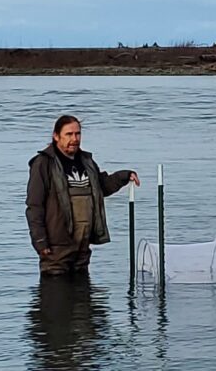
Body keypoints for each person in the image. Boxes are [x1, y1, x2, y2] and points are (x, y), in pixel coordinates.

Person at [26, 115, 138, 277]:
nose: (74, 139)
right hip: (56, 249)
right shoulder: (43, 164)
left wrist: (124, 176)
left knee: (83, 299)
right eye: (69, 134)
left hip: (82, 248)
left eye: (77, 134)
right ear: (56, 136)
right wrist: (40, 241)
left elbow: (102, 187)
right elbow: (34, 206)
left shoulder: (86, 161)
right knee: (55, 298)